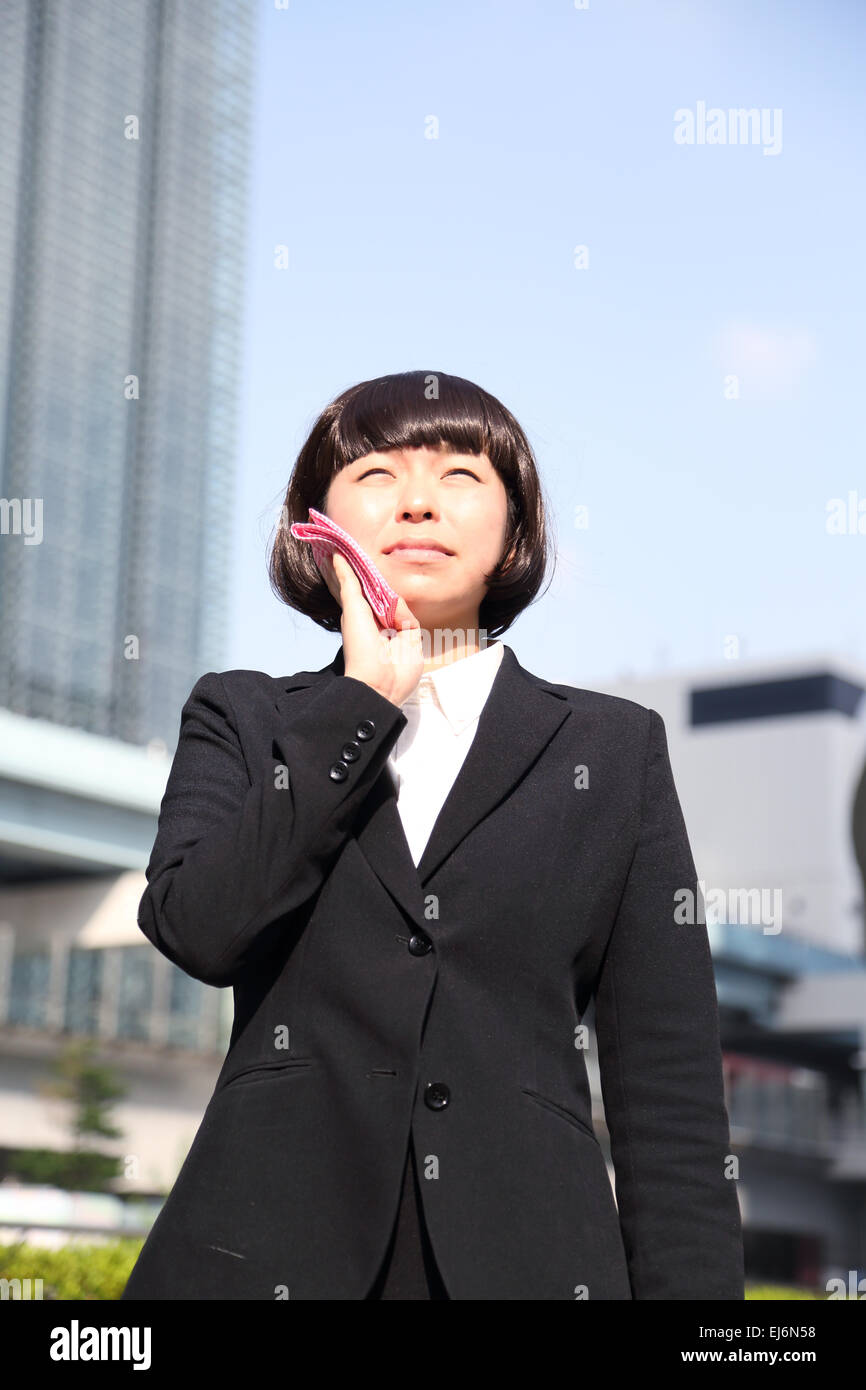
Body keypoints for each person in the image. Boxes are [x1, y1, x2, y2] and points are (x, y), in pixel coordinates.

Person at [121, 370, 744, 1300]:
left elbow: (671, 1090)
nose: (416, 501)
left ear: (514, 530)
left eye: (461, 474)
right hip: (260, 1257)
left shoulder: (613, 751)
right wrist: (362, 702)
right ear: (315, 521)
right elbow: (200, 928)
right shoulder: (243, 716)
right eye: (374, 474)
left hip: (533, 1258)